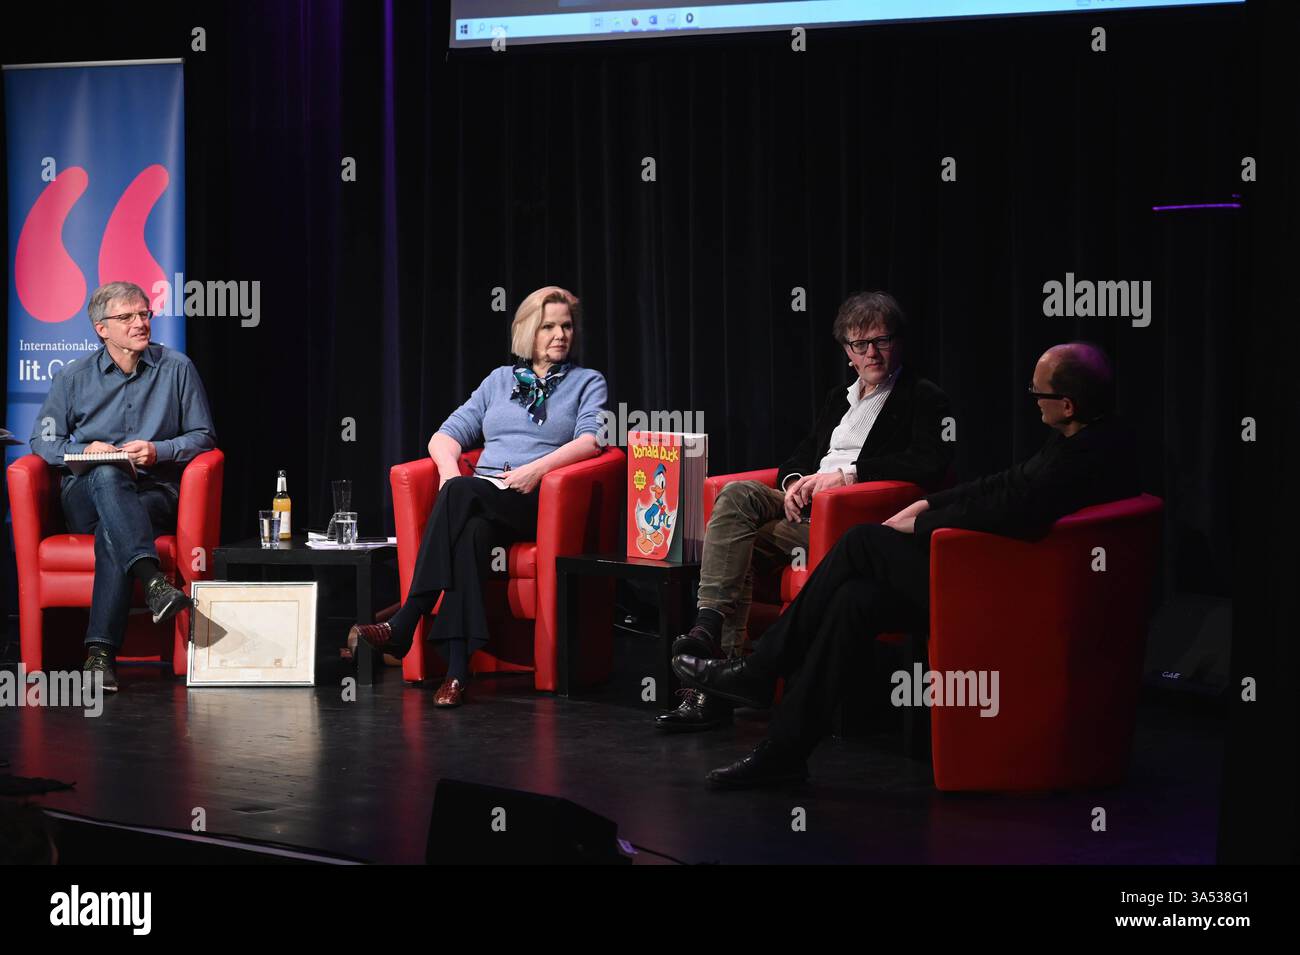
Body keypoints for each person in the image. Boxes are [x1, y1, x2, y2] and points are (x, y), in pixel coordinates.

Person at [672, 342, 1140, 787]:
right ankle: (784, 752)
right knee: (854, 601)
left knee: (860, 543)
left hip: (1005, 590)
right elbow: (1004, 483)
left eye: (1039, 394)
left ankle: (761, 667)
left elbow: (1014, 510)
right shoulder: (1072, 441)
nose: (1033, 401)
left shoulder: (1091, 456)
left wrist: (922, 524)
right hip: (983, 574)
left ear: (1069, 405)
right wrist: (926, 506)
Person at [657, 291, 952, 732]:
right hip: (805, 506)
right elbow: (800, 457)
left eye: (882, 340)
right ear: (847, 351)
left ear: (898, 343)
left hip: (848, 521)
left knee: (737, 550)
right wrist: (795, 484)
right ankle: (708, 628)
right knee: (735, 496)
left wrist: (848, 477)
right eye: (860, 344)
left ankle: (714, 691)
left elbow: (929, 464)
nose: (871, 352)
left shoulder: (922, 396)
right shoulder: (840, 397)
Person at [349, 286, 607, 707]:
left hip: (534, 498)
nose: (561, 334)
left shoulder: (586, 383)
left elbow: (591, 442)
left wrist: (537, 469)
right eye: (549, 326)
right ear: (527, 331)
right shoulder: (498, 381)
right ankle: (455, 673)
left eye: (566, 325)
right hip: (482, 494)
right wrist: (450, 476)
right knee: (469, 533)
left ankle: (406, 619)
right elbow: (445, 436)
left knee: (463, 496)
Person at [29, 281, 216, 692]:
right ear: (102, 329)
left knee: (114, 534)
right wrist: (85, 449)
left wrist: (158, 450)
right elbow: (43, 441)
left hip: (152, 494)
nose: (139, 323)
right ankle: (153, 583)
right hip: (85, 498)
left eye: (144, 314)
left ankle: (100, 655)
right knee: (108, 471)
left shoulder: (176, 368)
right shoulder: (73, 377)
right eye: (127, 317)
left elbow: (204, 436)